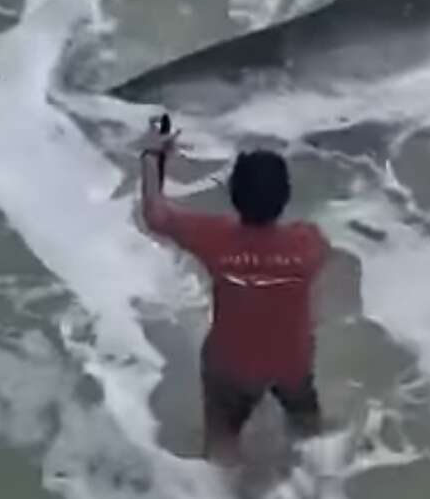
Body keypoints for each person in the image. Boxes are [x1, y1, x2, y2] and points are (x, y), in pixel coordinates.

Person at [138, 122, 330, 465]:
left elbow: (156, 214)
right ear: (285, 197)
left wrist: (153, 155)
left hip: (230, 366)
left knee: (222, 446)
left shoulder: (214, 238)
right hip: (291, 362)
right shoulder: (308, 243)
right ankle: (315, 481)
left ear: (233, 195)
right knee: (310, 434)